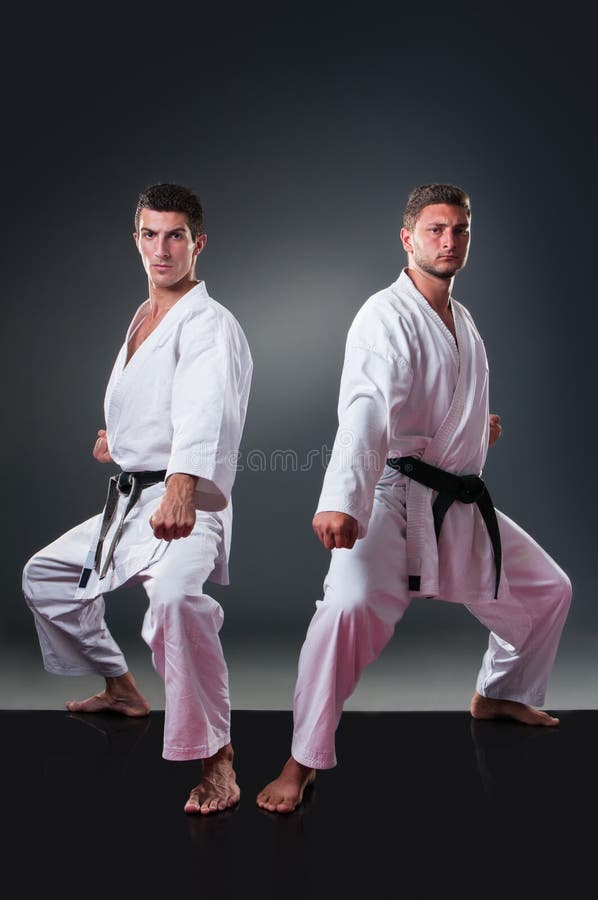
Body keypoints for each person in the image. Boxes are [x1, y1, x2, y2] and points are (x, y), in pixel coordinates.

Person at [256, 182, 572, 814]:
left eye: (459, 230)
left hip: (453, 501)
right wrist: (342, 495)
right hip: (389, 495)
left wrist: (476, 428)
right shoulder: (384, 314)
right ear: (407, 238)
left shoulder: (463, 319)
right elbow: (368, 407)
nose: (449, 240)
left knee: (548, 591)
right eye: (436, 229)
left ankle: (500, 692)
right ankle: (302, 759)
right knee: (346, 605)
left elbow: (439, 401)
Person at [23, 183, 252, 815]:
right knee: (45, 575)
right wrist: (121, 445)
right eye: (150, 235)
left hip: (186, 504)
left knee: (176, 601)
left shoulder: (209, 322)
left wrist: (180, 483)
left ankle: (218, 758)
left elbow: (208, 410)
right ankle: (122, 688)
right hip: (134, 500)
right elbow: (157, 405)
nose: (162, 248)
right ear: (136, 239)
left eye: (175, 235)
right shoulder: (144, 315)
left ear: (197, 243)